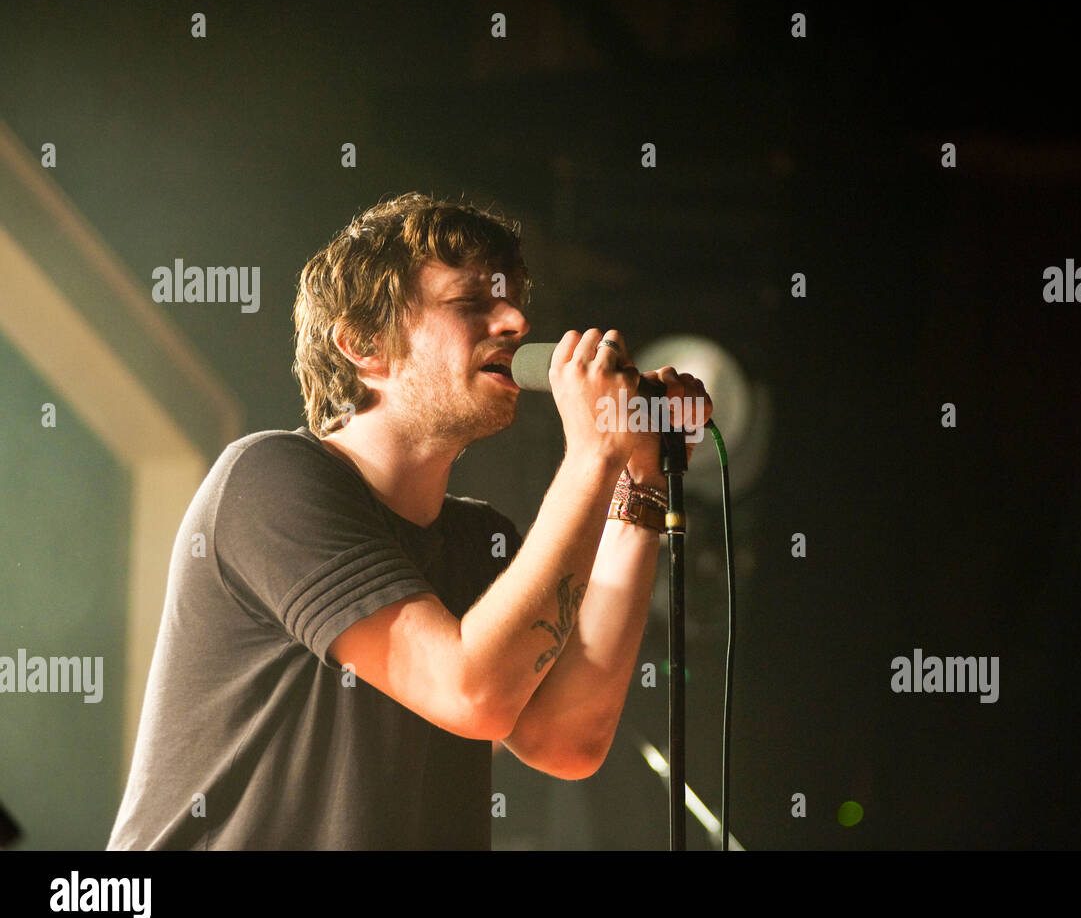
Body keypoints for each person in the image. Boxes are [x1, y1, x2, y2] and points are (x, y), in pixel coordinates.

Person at [107, 192, 711, 849]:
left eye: (512, 300)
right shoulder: (267, 480)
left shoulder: (482, 542)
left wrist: (641, 484)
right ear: (363, 343)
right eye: (469, 301)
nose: (512, 319)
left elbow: (567, 740)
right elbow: (469, 689)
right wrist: (594, 454)